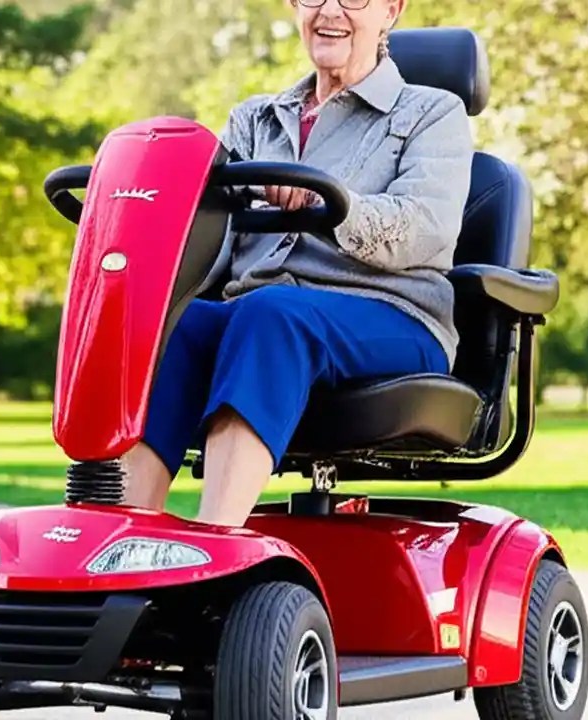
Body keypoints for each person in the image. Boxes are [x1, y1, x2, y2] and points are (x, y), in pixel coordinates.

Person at [120, 0, 474, 526]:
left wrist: (325, 201)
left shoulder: (431, 113)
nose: (330, 9)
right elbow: (212, 248)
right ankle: (120, 538)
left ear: (391, 11)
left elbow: (424, 228)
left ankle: (216, 543)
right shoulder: (255, 119)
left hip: (392, 317)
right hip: (256, 314)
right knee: (179, 325)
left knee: (273, 315)